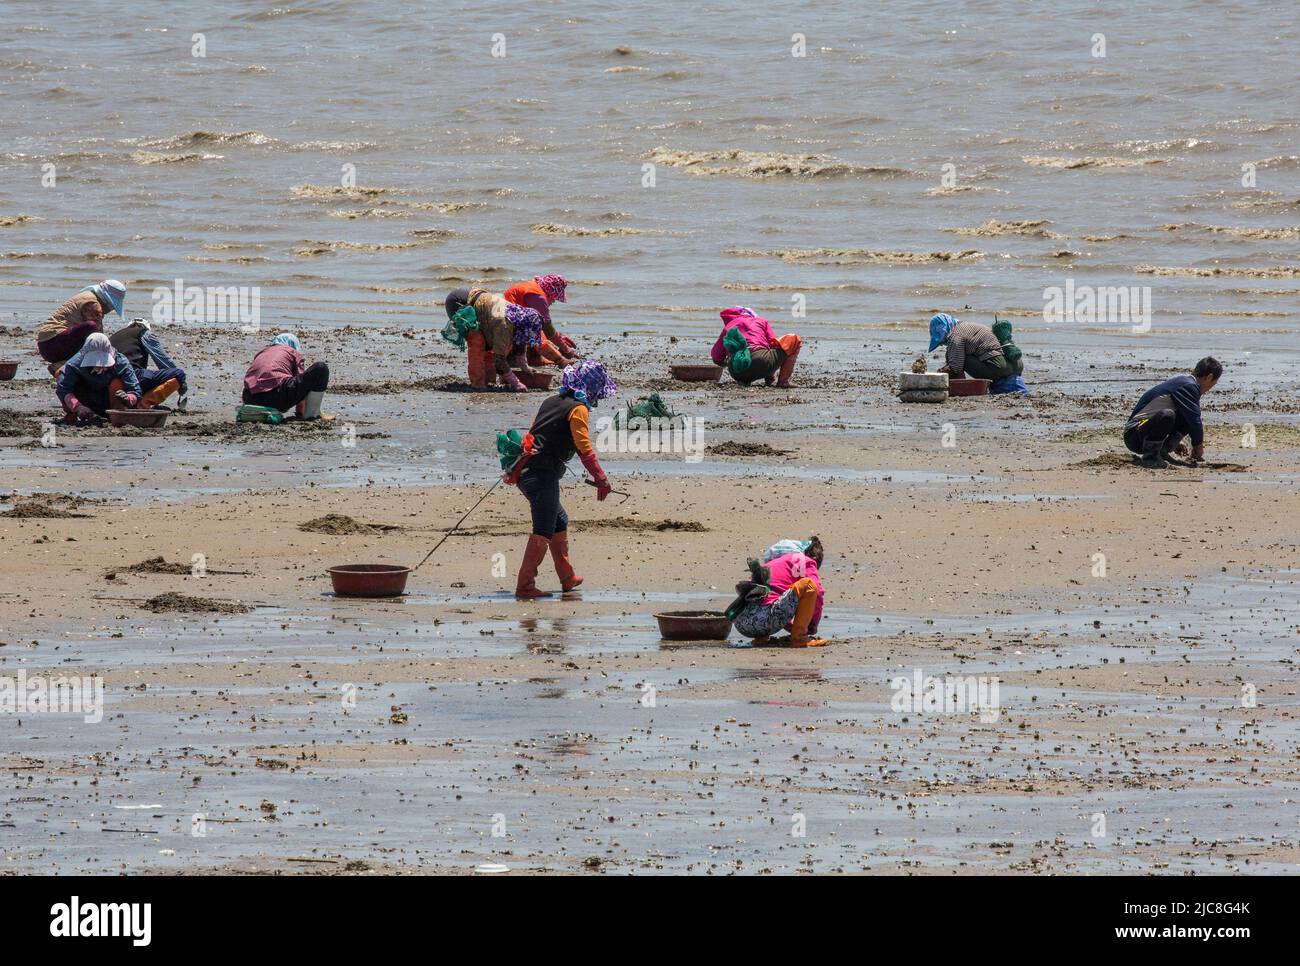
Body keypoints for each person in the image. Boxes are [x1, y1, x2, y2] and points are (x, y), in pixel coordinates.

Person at [504, 360, 617, 599]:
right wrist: (601, 479)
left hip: (526, 469)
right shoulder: (578, 409)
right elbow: (583, 447)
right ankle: (525, 586)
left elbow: (533, 434)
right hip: (540, 473)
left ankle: (567, 577)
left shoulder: (549, 402)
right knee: (544, 527)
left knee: (559, 519)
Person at [729, 536, 827, 647]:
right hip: (765, 618)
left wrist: (792, 626)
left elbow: (768, 601)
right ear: (813, 558)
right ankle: (799, 638)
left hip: (741, 624)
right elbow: (817, 593)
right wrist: (811, 626)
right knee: (808, 585)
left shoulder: (769, 565)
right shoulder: (805, 560)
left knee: (769, 596)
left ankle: (760, 639)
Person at [1124, 357, 1222, 468]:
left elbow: (1189, 418)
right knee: (1168, 415)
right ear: (1209, 377)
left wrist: (1174, 441)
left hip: (1146, 430)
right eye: (1213, 383)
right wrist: (1198, 446)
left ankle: (1162, 451)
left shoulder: (1184, 383)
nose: (1210, 389)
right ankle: (1150, 457)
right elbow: (1195, 421)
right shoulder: (1188, 385)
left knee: (1186, 416)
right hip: (1133, 434)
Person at [443, 287, 545, 392]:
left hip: (481, 303)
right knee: (477, 343)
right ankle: (478, 384)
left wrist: (525, 366)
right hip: (459, 302)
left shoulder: (518, 317)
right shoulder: (505, 326)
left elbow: (520, 342)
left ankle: (489, 382)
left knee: (490, 350)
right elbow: (499, 361)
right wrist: (516, 383)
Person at [36, 280, 127, 369]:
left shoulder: (88, 296)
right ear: (106, 300)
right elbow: (98, 337)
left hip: (48, 343)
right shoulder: (93, 305)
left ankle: (63, 365)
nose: (110, 309)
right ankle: (64, 365)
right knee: (91, 328)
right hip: (53, 344)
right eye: (112, 306)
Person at [54, 333, 142, 424]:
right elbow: (63, 388)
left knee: (116, 382)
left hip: (109, 400)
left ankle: (116, 417)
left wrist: (128, 398)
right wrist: (77, 406)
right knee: (60, 375)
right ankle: (72, 415)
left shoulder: (121, 362)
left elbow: (135, 390)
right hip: (85, 399)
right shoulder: (75, 364)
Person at [242, 332, 332, 420]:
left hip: (249, 398)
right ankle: (313, 414)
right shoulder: (292, 352)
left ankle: (254, 409)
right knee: (321, 368)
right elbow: (301, 383)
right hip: (276, 396)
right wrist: (300, 413)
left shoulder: (262, 352)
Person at [710, 306, 803, 387]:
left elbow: (716, 358)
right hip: (762, 362)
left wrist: (731, 362)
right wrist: (769, 373)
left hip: (737, 372)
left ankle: (745, 381)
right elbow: (772, 344)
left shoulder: (729, 327)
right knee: (794, 340)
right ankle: (783, 381)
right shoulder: (761, 321)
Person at [109, 318, 188, 411]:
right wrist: (182, 383)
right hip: (131, 375)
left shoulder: (115, 336)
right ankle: (143, 405)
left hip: (111, 381)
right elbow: (161, 358)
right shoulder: (144, 333)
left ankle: (132, 402)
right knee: (179, 374)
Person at [503, 274, 577, 365]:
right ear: (550, 293)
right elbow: (548, 330)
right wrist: (567, 350)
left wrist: (559, 338)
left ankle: (534, 358)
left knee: (535, 327)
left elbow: (542, 326)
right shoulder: (538, 298)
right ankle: (560, 360)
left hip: (508, 318)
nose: (553, 301)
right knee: (538, 336)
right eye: (554, 298)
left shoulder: (533, 286)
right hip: (508, 324)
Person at [929, 313, 1024, 382]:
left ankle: (960, 385)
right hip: (1017, 365)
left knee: (957, 358)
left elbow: (955, 367)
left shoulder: (955, 335)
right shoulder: (969, 326)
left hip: (1000, 367)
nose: (943, 344)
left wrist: (937, 377)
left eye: (941, 342)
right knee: (956, 356)